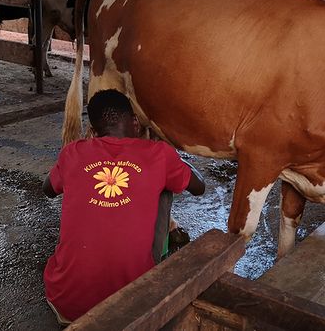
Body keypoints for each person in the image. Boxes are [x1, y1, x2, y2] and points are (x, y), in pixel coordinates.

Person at [42, 89, 205, 325]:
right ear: (136, 123)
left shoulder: (73, 152)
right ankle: (148, 268)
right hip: (133, 303)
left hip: (67, 301)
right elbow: (199, 187)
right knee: (165, 187)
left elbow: (48, 189)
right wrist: (179, 162)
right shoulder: (158, 154)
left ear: (93, 131)